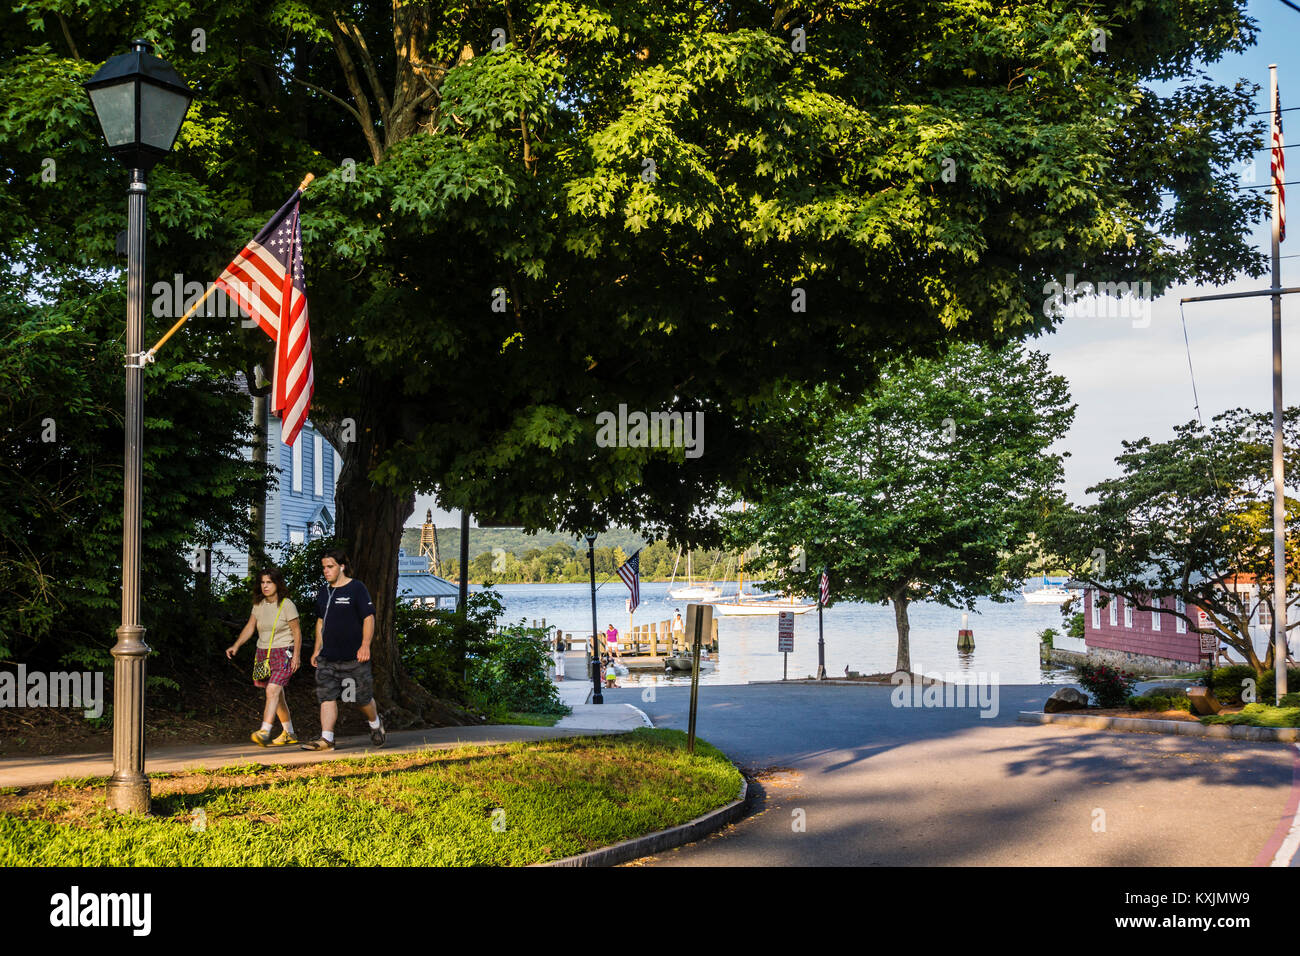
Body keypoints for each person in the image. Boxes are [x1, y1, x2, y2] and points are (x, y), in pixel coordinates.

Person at [301, 549, 386, 751]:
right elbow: (320, 621)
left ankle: (376, 724)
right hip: (328, 658)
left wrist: (365, 645)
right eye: (324, 568)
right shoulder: (324, 591)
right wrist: (316, 650)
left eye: (330, 567)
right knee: (326, 696)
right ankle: (327, 739)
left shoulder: (356, 588)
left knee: (360, 698)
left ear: (342, 567)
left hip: (354, 658)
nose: (326, 571)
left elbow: (368, 618)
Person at [227, 567, 301, 746]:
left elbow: (297, 632)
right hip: (263, 654)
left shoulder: (287, 604)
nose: (265, 586)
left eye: (269, 582)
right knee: (277, 693)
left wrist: (296, 656)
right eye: (262, 582)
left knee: (272, 690)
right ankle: (289, 733)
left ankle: (264, 731)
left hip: (284, 652)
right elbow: (250, 627)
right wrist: (236, 645)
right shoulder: (258, 605)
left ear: (277, 584)